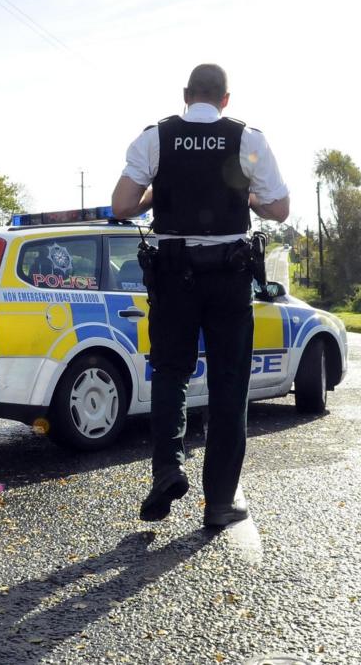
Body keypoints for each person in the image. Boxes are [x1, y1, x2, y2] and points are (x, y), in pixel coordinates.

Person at [110, 63, 289, 526]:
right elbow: (279, 209)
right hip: (228, 276)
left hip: (172, 275)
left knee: (170, 373)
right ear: (226, 99)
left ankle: (168, 468)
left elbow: (123, 206)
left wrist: (156, 196)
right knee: (230, 382)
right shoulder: (247, 140)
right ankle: (221, 503)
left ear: (185, 95)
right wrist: (246, 197)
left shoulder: (157, 138)